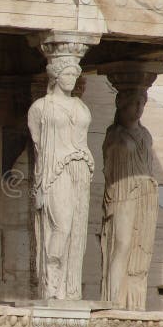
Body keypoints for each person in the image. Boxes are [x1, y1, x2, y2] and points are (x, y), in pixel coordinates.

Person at [27, 61, 93, 300]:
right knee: (61, 226)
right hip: (54, 171)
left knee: (76, 230)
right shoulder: (40, 108)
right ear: (55, 76)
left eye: (75, 74)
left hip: (81, 169)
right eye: (67, 73)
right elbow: (38, 143)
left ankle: (69, 289)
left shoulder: (81, 106)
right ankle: (51, 285)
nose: (71, 79)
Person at [101, 88, 157, 310]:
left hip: (146, 192)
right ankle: (113, 299)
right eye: (134, 103)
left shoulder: (146, 135)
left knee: (140, 248)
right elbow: (108, 168)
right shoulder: (113, 135)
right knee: (122, 244)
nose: (139, 109)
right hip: (123, 191)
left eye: (142, 103)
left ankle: (133, 301)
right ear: (121, 105)